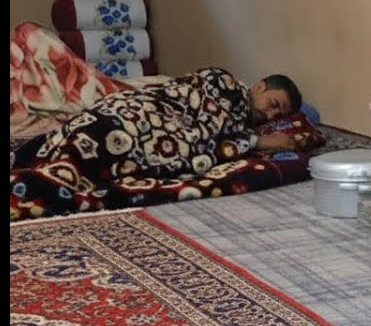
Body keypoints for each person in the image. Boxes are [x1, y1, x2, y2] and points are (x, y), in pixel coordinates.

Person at [11, 66, 308, 219]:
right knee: (93, 135)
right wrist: (263, 140)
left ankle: (46, 174)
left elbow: (211, 139)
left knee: (93, 161)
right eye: (272, 103)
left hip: (144, 135)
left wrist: (254, 137)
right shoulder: (224, 83)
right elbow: (200, 119)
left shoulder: (241, 125)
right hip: (135, 112)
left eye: (276, 113)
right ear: (258, 86)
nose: (269, 113)